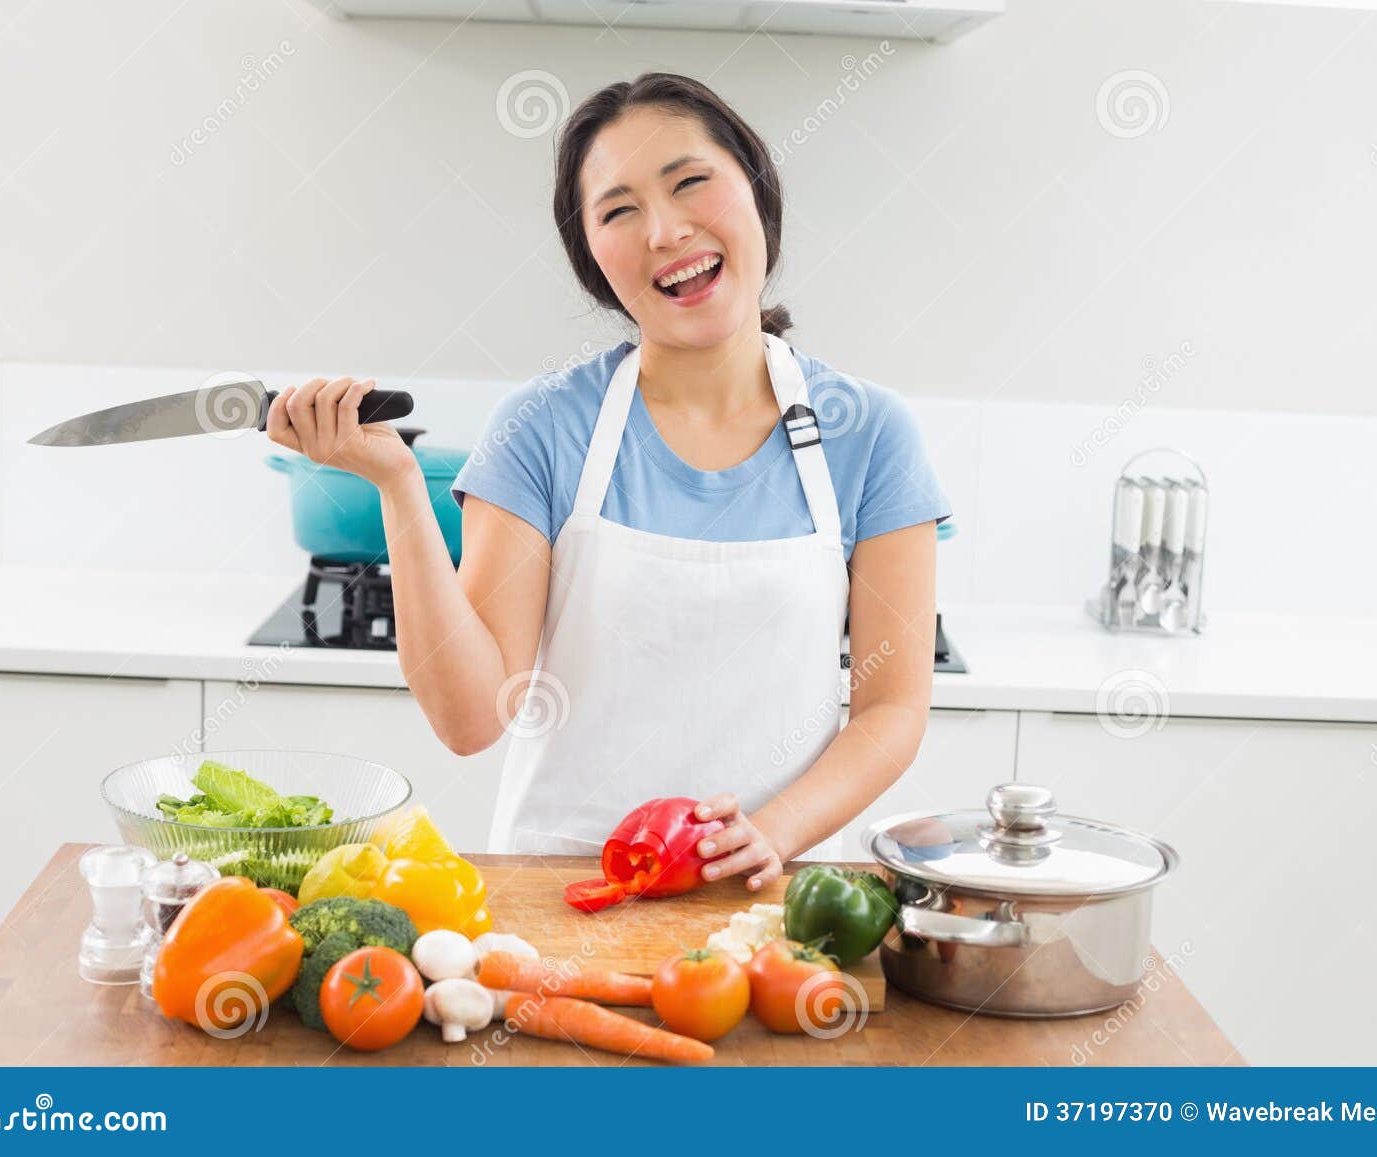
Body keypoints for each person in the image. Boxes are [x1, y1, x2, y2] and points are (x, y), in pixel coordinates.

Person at [265, 72, 951, 891]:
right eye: (618, 210)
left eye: (691, 181)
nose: (664, 230)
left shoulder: (869, 432)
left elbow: (893, 710)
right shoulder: (543, 428)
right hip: (557, 901)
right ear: (593, 257)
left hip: (769, 912)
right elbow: (470, 717)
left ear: (758, 189)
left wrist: (772, 833)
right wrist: (398, 487)